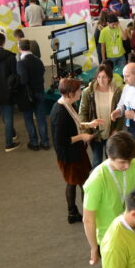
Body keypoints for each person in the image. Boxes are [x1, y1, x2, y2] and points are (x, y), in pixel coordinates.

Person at [82, 131, 135, 267]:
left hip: (133, 229)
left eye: (129, 160)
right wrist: (94, 248)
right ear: (109, 156)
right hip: (109, 237)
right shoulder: (97, 179)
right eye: (122, 162)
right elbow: (88, 219)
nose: (128, 166)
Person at [51, 78, 102, 224]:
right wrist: (82, 136)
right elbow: (61, 141)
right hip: (69, 156)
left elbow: (75, 122)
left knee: (73, 182)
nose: (81, 92)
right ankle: (86, 215)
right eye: (78, 90)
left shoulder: (67, 105)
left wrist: (88, 124)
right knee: (82, 183)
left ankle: (73, 213)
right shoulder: (59, 114)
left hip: (75, 153)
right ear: (70, 93)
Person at [80, 64, 123, 164]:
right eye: (99, 77)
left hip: (111, 133)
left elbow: (121, 112)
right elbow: (83, 113)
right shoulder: (88, 92)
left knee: (112, 162)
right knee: (97, 162)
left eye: (104, 77)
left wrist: (116, 130)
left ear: (109, 78)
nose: (101, 80)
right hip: (95, 135)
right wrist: (87, 131)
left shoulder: (117, 92)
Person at [17, 39, 50, 150]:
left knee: (28, 118)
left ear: (19, 48)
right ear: (30, 47)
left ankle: (34, 142)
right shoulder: (38, 60)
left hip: (27, 95)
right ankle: (45, 142)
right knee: (41, 118)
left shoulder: (21, 63)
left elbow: (23, 80)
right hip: (40, 91)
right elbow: (42, 72)